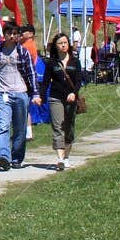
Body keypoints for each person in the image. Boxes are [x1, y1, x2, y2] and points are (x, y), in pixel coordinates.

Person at [0, 21, 38, 172]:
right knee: (2, 126)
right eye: (9, 33)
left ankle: (16, 158)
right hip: (2, 94)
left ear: (18, 36)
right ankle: (3, 156)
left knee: (20, 128)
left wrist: (35, 94)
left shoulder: (23, 52)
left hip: (21, 93)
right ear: (4, 35)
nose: (12, 36)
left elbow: (31, 74)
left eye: (15, 34)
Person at [41, 32, 83, 172]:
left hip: (70, 98)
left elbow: (78, 82)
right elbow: (45, 82)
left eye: (65, 42)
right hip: (55, 97)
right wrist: (41, 96)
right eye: (60, 43)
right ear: (56, 46)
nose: (63, 45)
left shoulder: (75, 61)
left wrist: (74, 93)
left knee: (69, 127)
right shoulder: (52, 63)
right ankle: (59, 159)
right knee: (58, 127)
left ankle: (66, 157)